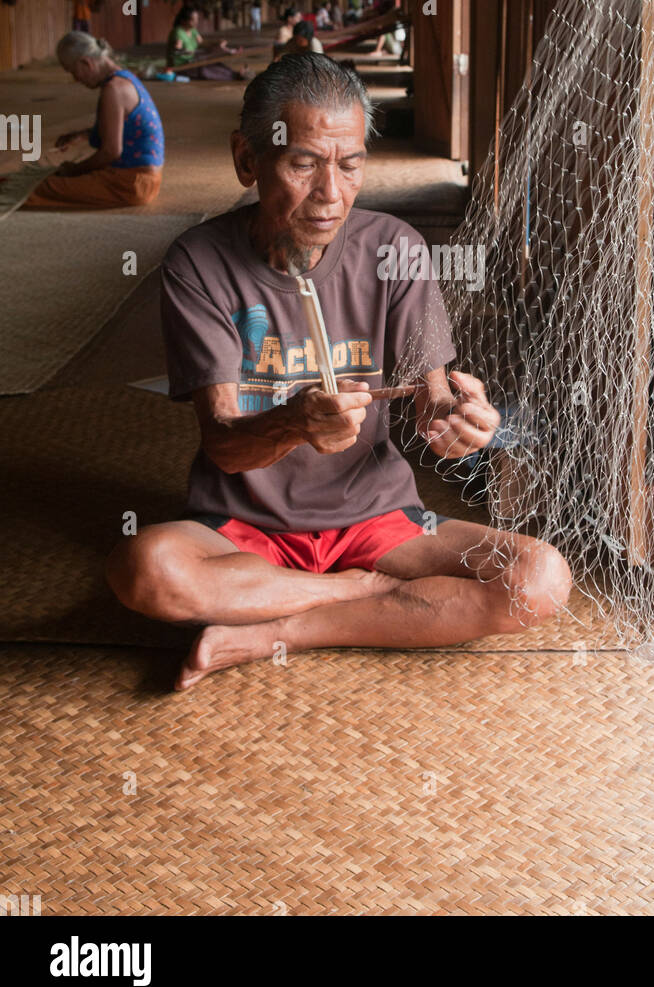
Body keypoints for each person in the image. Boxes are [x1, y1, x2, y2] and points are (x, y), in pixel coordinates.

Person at [105, 53, 571, 688]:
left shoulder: (395, 249)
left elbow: (432, 403)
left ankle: (281, 625)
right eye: (303, 163)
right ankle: (354, 595)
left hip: (376, 517)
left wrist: (462, 421)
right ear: (247, 159)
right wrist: (294, 423)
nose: (331, 195)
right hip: (246, 528)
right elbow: (224, 444)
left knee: (539, 580)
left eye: (349, 165)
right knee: (145, 570)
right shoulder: (200, 262)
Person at [23, 33, 164, 210]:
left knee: (35, 189)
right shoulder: (125, 78)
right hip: (144, 181)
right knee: (47, 182)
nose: (76, 79)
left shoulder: (113, 89)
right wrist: (82, 134)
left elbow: (111, 152)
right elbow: (121, 127)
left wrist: (74, 171)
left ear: (86, 63)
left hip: (130, 183)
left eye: (73, 72)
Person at [166, 6, 247, 82]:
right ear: (184, 20)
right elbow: (178, 48)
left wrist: (216, 43)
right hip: (182, 66)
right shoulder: (178, 32)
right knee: (204, 69)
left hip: (192, 60)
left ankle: (234, 73)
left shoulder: (192, 30)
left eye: (197, 19)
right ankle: (234, 76)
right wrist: (180, 49)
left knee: (213, 62)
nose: (196, 22)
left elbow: (202, 42)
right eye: (193, 20)